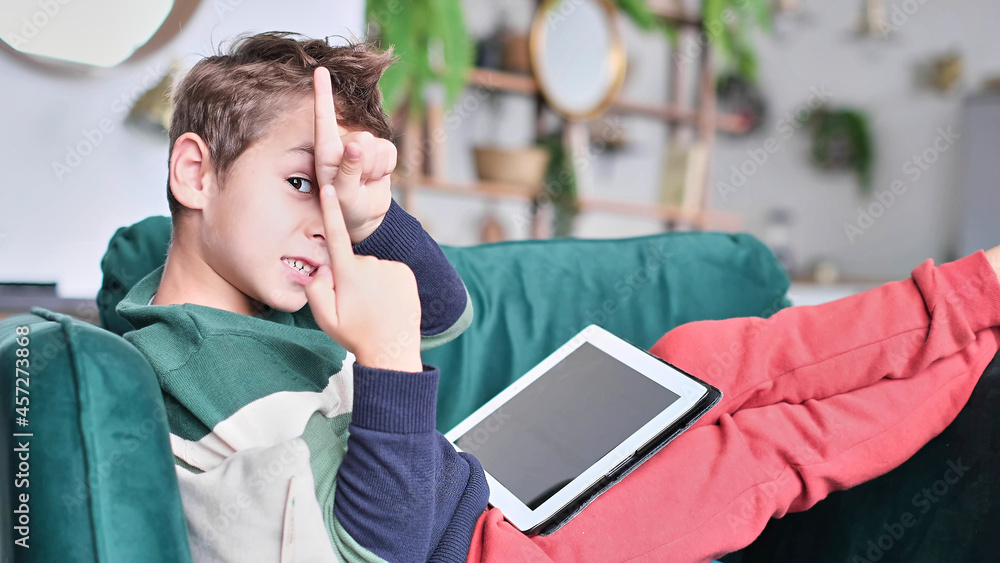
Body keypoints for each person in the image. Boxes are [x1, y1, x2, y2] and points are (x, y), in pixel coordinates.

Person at [113, 31, 1000, 563]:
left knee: (701, 355)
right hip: (495, 550)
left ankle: (975, 293)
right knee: (748, 449)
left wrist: (372, 207)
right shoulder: (192, 385)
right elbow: (378, 547)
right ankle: (974, 352)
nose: (324, 223)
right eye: (302, 183)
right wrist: (387, 363)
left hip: (482, 489)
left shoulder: (250, 302)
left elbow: (441, 308)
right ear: (196, 170)